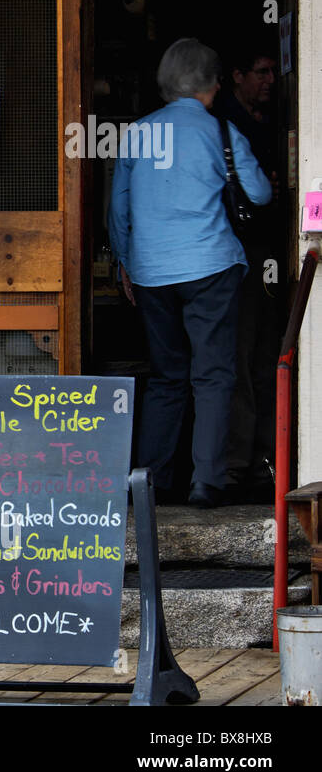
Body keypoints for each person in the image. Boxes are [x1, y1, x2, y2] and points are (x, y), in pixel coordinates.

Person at [109, 38, 271, 508]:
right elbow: (259, 194)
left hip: (151, 270)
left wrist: (125, 262)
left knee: (166, 375)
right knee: (215, 374)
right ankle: (207, 481)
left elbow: (118, 210)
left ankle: (150, 482)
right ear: (213, 85)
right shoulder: (219, 133)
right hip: (210, 266)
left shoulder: (137, 133)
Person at [217, 41, 285, 497]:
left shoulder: (274, 119)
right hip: (234, 257)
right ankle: (239, 466)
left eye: (271, 72)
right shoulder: (222, 127)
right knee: (240, 362)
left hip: (268, 253)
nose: (270, 80)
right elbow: (260, 191)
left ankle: (261, 462)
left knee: (262, 359)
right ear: (237, 75)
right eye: (260, 72)